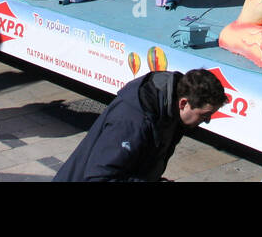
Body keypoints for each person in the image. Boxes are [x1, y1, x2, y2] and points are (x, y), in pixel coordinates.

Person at [54, 68, 227, 181]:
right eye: (204, 115)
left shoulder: (170, 111)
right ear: (183, 103)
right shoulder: (132, 121)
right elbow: (99, 177)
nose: (207, 121)